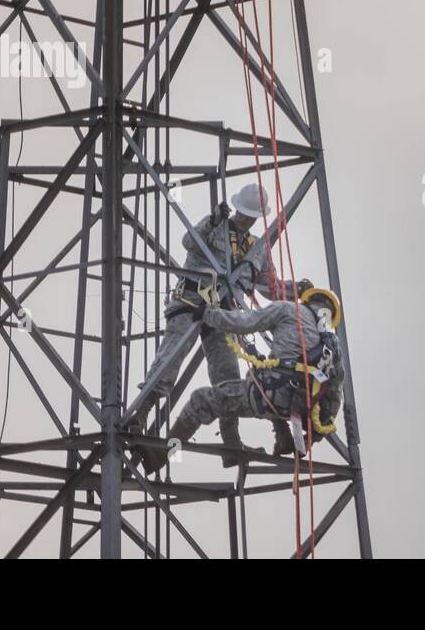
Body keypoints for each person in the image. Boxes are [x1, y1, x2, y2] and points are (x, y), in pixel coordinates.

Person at [131, 182, 308, 466]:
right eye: (243, 213)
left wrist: (297, 289)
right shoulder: (216, 226)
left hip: (222, 314)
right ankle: (139, 415)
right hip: (191, 302)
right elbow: (189, 242)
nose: (245, 219)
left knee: (227, 377)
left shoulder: (255, 248)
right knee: (170, 360)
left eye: (251, 216)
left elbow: (269, 287)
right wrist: (213, 220)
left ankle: (231, 443)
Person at [139, 287, 345, 473]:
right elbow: (335, 394)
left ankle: (163, 456)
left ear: (307, 301)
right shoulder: (334, 347)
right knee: (253, 376)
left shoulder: (289, 309)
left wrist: (209, 314)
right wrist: (314, 435)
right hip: (299, 407)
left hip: (270, 396)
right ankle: (279, 439)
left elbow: (244, 323)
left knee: (200, 401)